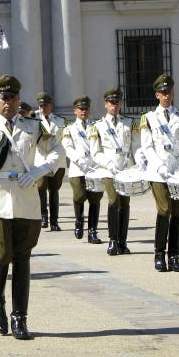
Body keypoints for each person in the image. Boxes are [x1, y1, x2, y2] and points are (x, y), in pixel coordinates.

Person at [0, 75, 65, 339]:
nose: (6, 102)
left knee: (22, 258)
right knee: (2, 253)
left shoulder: (32, 125)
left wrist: (41, 169)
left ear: (18, 100)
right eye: (2, 98)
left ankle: (20, 317)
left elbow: (57, 151)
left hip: (26, 197)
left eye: (11, 97)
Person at [140, 74, 179, 272]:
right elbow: (147, 147)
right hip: (159, 173)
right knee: (164, 209)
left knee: (177, 213)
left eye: (170, 93)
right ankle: (159, 255)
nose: (167, 96)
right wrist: (159, 166)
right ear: (157, 95)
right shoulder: (148, 118)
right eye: (163, 93)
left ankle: (174, 256)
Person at [90, 87, 139, 255]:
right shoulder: (98, 126)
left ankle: (122, 241)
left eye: (117, 102)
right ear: (105, 104)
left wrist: (141, 162)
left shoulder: (129, 122)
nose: (114, 105)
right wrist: (108, 163)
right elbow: (95, 152)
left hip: (126, 168)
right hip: (109, 169)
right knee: (113, 201)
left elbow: (136, 145)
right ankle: (112, 240)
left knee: (125, 203)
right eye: (111, 102)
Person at [62, 96, 103, 244]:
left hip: (94, 168)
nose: (83, 111)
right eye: (81, 109)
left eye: (86, 109)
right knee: (79, 197)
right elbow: (67, 147)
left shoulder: (96, 127)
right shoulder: (70, 129)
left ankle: (92, 231)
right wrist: (79, 159)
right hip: (78, 168)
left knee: (95, 200)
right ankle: (79, 222)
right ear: (75, 111)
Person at [34, 92, 67, 230]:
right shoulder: (33, 119)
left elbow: (64, 139)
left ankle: (54, 221)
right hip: (40, 159)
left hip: (57, 160)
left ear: (51, 106)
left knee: (54, 190)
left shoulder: (60, 121)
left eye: (46, 105)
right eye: (41, 105)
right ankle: (43, 217)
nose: (43, 108)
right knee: (41, 188)